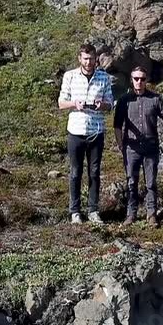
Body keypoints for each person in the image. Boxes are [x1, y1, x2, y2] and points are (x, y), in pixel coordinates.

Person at [113, 66, 163, 228]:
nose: (139, 82)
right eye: (136, 78)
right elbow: (117, 125)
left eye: (142, 79)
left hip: (150, 147)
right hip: (131, 148)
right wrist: (120, 144)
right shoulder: (124, 100)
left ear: (146, 80)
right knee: (131, 182)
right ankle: (131, 215)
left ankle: (151, 215)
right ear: (132, 79)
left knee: (150, 183)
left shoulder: (155, 99)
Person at [58, 44, 113, 224]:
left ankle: (93, 210)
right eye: (85, 59)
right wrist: (75, 103)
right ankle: (75, 211)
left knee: (95, 172)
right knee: (75, 172)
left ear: (96, 59)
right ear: (80, 59)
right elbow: (60, 103)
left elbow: (110, 104)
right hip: (76, 130)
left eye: (91, 59)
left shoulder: (104, 77)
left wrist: (101, 105)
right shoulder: (70, 76)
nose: (89, 62)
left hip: (96, 131)